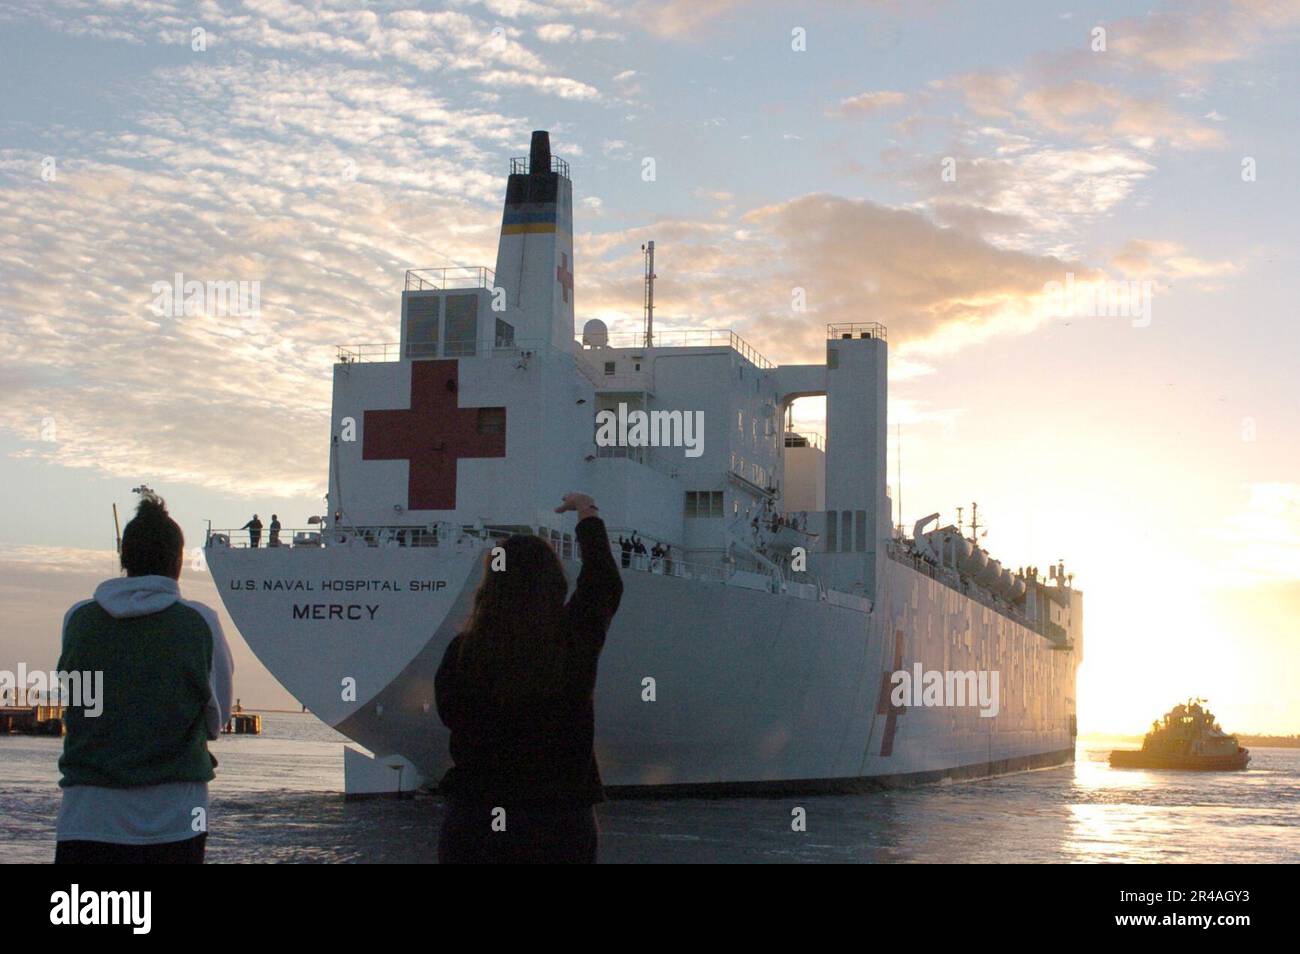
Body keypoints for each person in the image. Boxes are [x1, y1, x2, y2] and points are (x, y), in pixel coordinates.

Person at [435, 492, 622, 863]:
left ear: (491, 585)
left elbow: (450, 715)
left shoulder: (462, 652)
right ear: (553, 581)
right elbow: (603, 581)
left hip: (476, 817)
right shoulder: (572, 639)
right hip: (557, 820)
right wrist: (587, 513)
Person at [54, 493, 234, 864]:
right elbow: (217, 722)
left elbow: (79, 706)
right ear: (178, 561)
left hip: (87, 816)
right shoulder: (200, 623)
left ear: (124, 557)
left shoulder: (78, 620)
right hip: (176, 819)